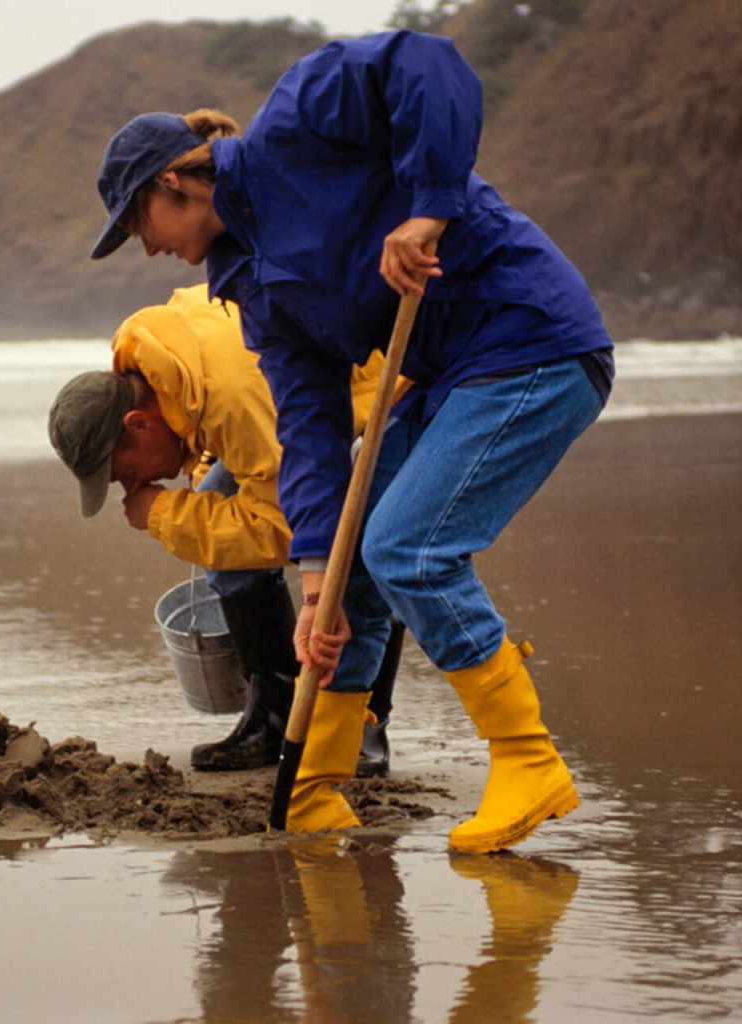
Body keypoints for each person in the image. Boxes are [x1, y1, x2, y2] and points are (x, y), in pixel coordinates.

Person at [88, 31, 615, 853]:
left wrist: (429, 208)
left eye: (137, 221)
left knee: (408, 549)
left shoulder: (299, 122)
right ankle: (318, 785)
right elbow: (309, 428)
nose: (145, 245)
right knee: (350, 571)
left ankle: (527, 759)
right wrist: (310, 581)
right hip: (451, 379)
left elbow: (429, 65)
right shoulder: (250, 287)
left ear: (173, 183)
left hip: (531, 343)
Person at [48, 285, 404, 774]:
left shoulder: (235, 400)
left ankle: (364, 724)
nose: (136, 484)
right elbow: (218, 420)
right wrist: (194, 488)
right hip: (282, 416)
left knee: (358, 563)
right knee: (226, 545)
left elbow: (293, 530)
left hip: (385, 397)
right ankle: (274, 717)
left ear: (137, 423)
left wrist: (163, 514)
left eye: (124, 473)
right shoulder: (159, 363)